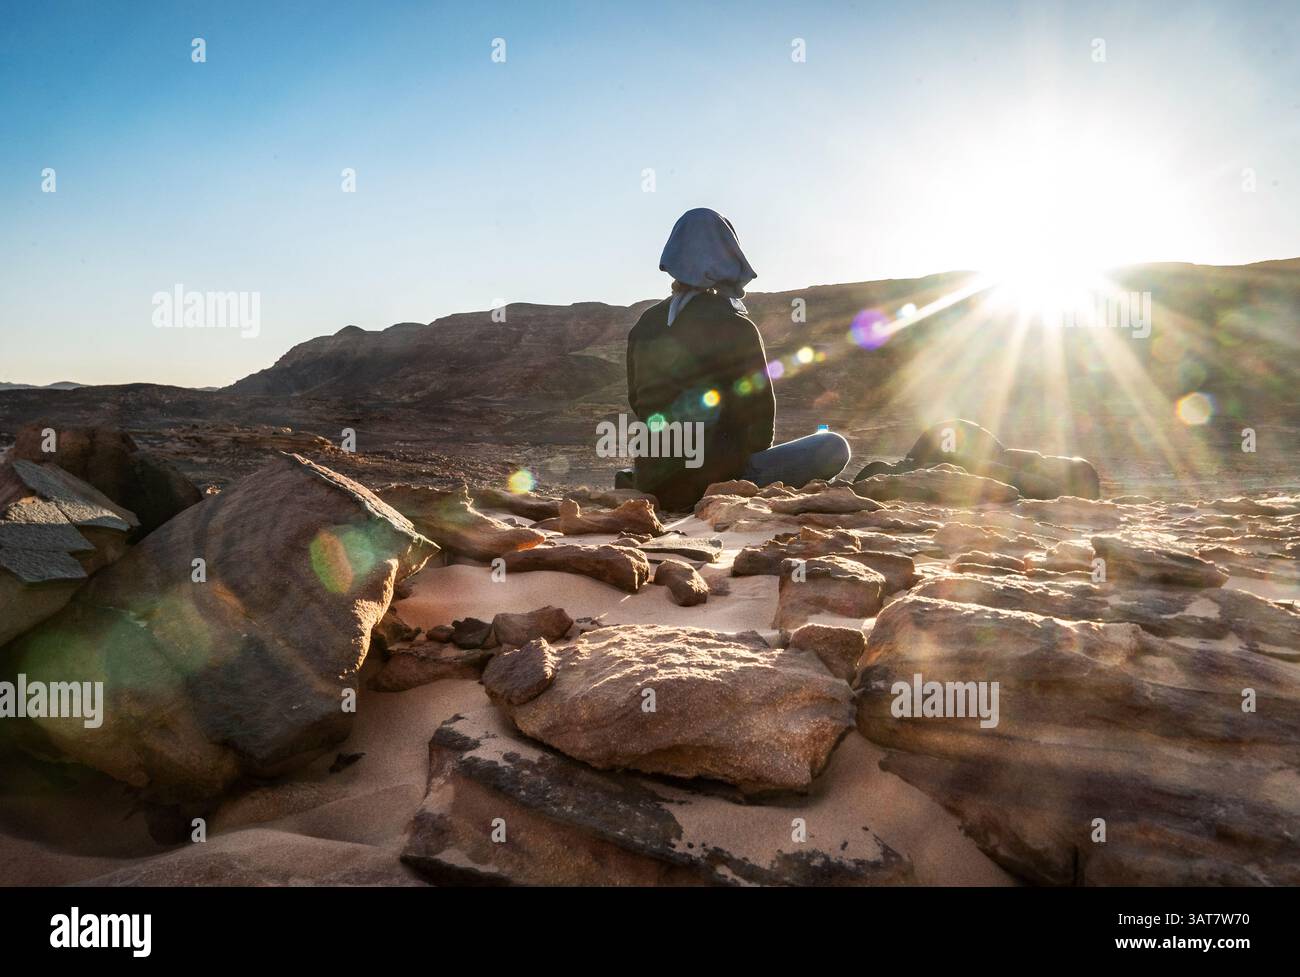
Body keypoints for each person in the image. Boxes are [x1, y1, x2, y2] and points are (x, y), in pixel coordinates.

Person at [622, 207, 851, 510]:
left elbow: (638, 401)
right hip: (712, 482)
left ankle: (638, 480)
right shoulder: (735, 325)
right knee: (833, 446)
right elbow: (759, 425)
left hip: (653, 478)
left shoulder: (645, 324)